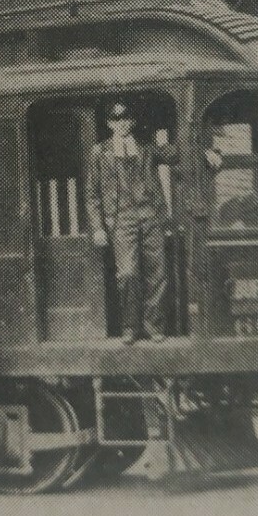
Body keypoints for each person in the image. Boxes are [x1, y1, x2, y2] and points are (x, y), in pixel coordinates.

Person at [85, 100, 220, 343]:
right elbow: (92, 194)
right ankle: (130, 327)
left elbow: (177, 153)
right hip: (121, 219)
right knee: (127, 273)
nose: (121, 124)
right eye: (116, 120)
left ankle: (153, 326)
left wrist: (206, 152)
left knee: (157, 273)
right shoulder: (100, 152)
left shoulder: (146, 147)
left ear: (132, 122)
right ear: (109, 124)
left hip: (151, 216)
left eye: (126, 119)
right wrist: (97, 227)